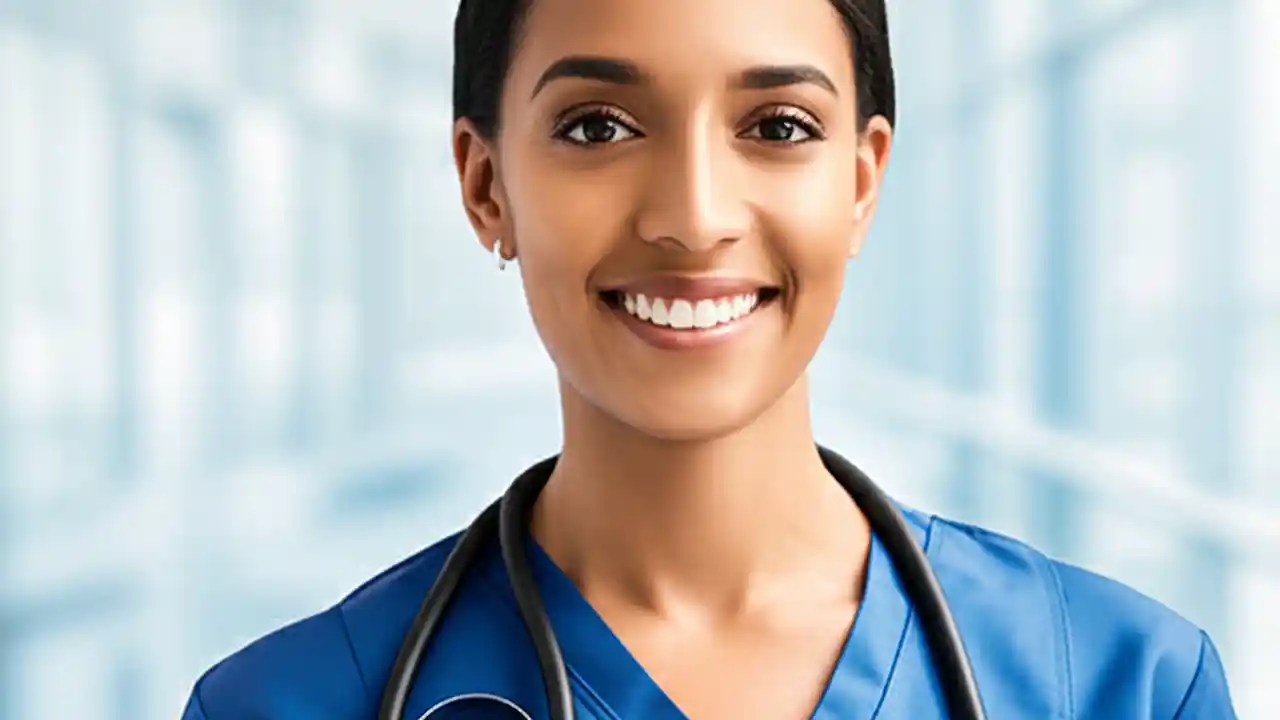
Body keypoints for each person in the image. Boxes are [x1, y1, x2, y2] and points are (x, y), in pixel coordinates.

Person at [180, 0, 1238, 717]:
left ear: (861, 181)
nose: (692, 218)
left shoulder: (1124, 684)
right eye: (597, 128)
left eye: (776, 126)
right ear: (485, 186)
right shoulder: (289, 704)